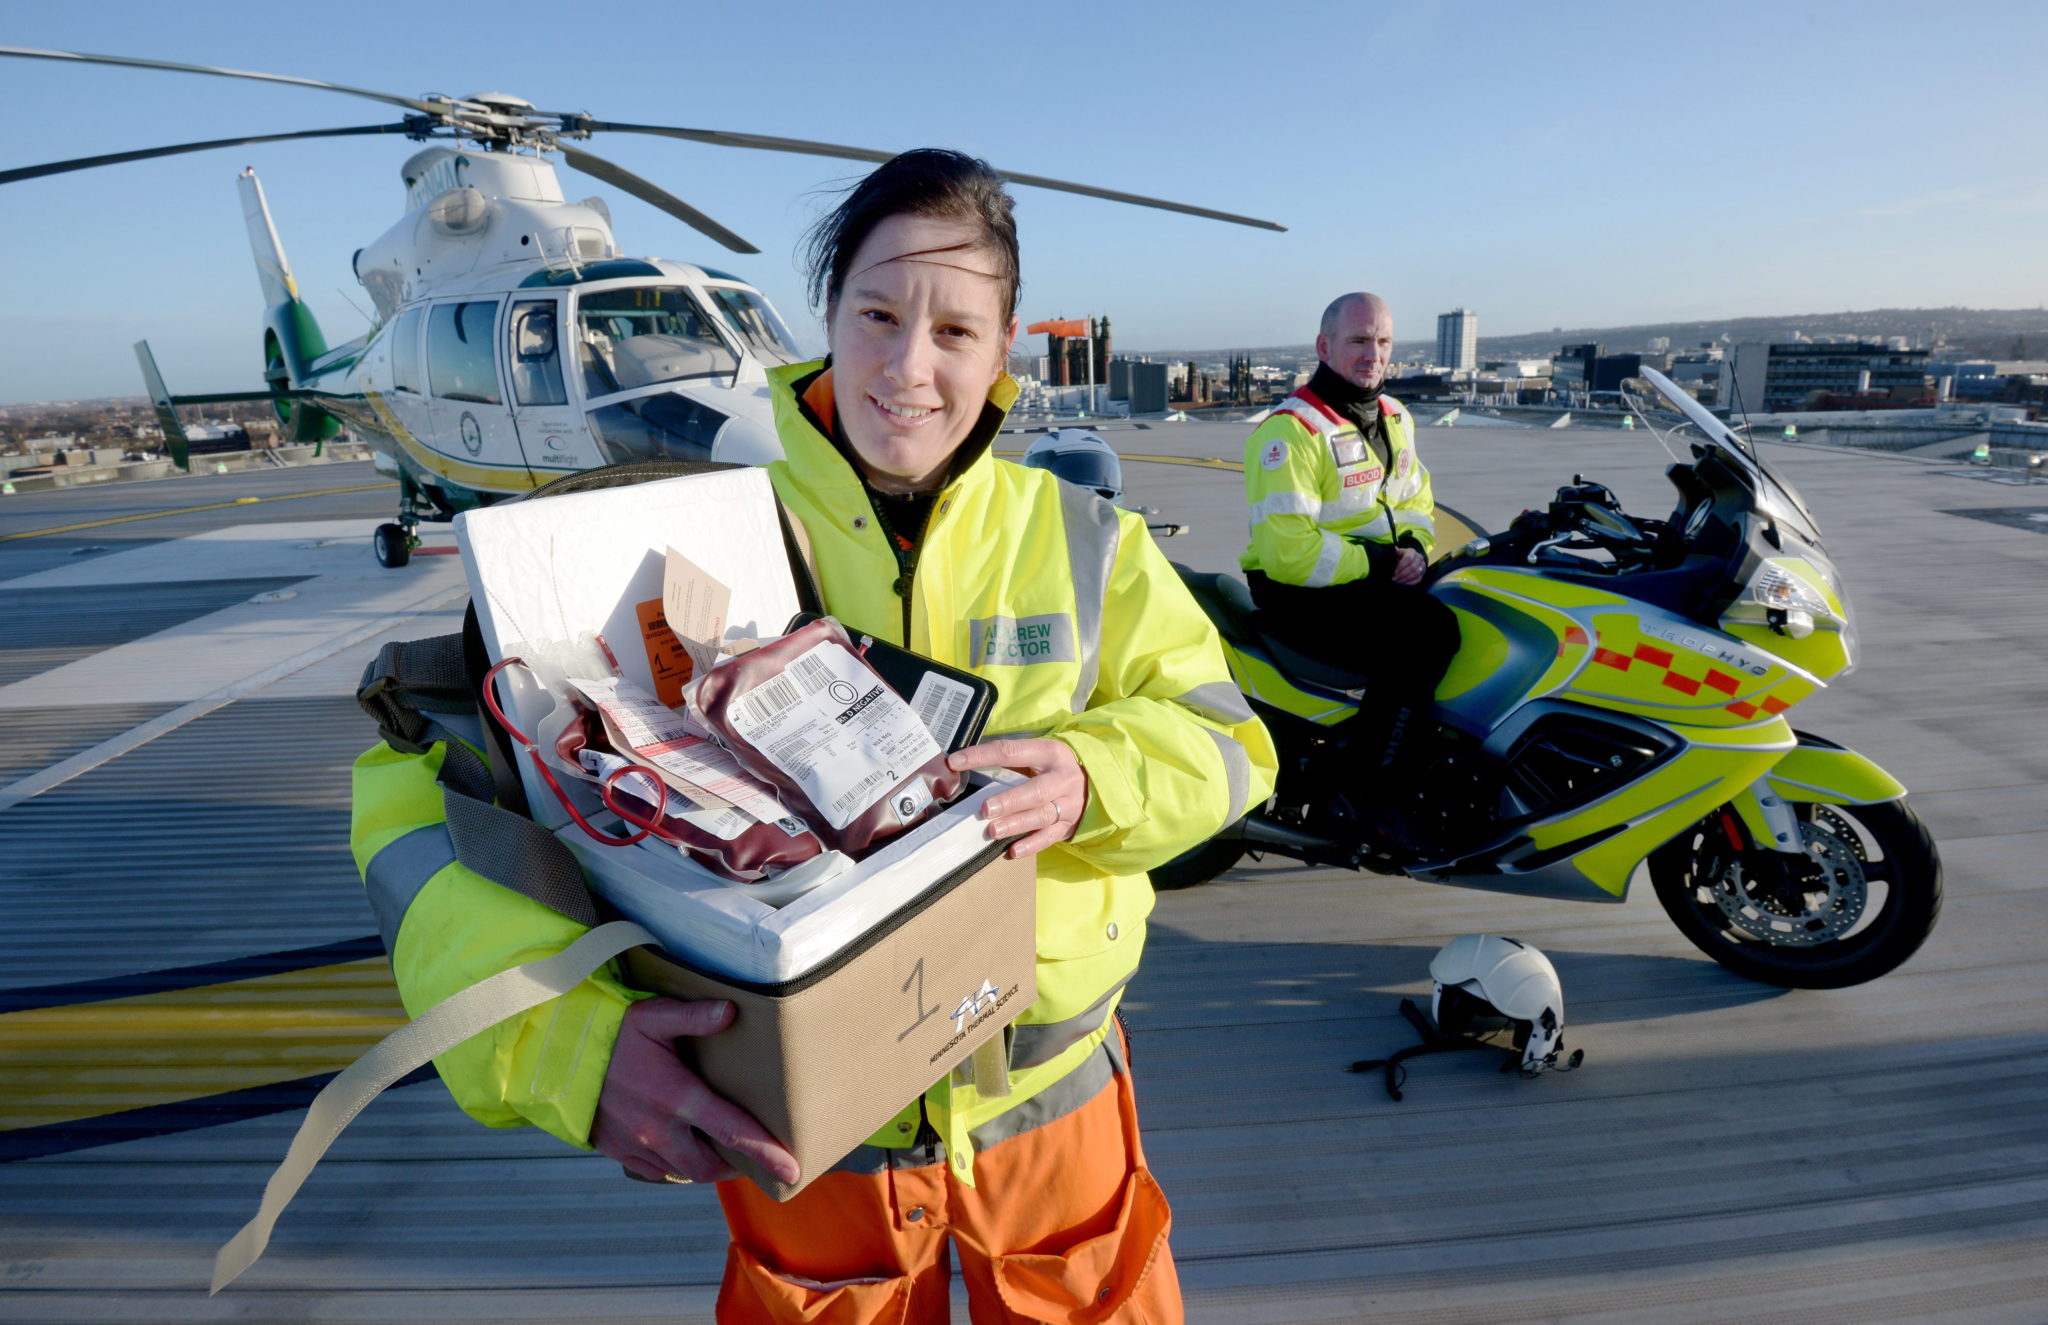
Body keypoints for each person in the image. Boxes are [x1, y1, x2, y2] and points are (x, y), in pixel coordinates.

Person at [352, 149, 1275, 1323]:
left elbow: (1230, 739)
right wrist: (559, 1043)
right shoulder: (661, 525)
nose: (908, 364)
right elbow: (413, 805)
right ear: (826, 317)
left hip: (1048, 1097)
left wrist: (1097, 774)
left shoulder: (1087, 540)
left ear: (1003, 353)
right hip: (800, 1121)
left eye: (955, 331)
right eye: (878, 313)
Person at [1238, 292, 1460, 808]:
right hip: (1301, 590)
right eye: (1358, 340)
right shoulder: (1290, 432)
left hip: (1371, 576)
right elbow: (1289, 555)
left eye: (1382, 341)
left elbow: (1414, 502)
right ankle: (1368, 790)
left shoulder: (1395, 417)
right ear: (1324, 346)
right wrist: (1384, 563)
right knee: (1429, 633)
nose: (1372, 353)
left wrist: (1416, 549)